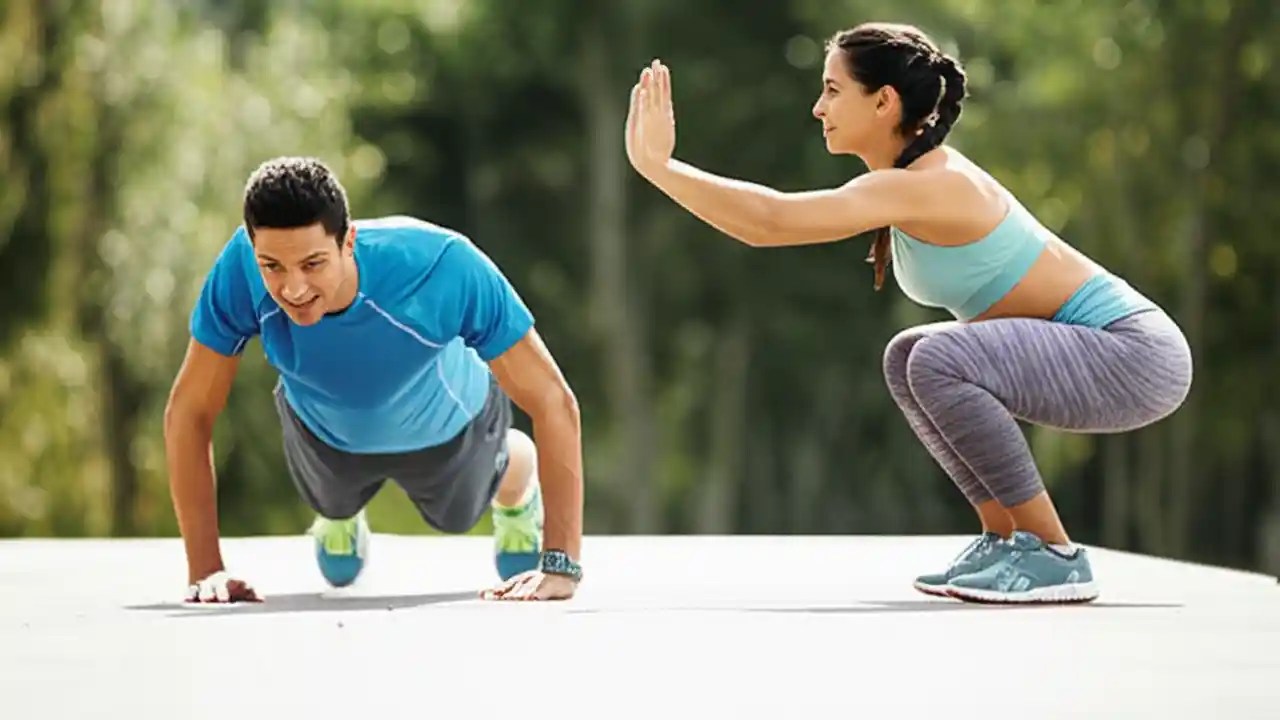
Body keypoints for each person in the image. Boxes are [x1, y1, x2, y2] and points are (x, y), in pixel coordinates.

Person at [624, 23, 1192, 604]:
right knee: (908, 356)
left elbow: (769, 223)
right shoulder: (905, 181)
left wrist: (662, 169)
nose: (818, 108)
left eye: (832, 91)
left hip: (1134, 354)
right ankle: (1006, 539)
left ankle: (1053, 552)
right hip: (1107, 353)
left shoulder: (932, 184)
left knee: (938, 359)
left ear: (884, 101)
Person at [164, 156, 584, 604]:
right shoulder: (238, 271)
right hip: (322, 429)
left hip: (447, 426)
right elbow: (189, 411)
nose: (293, 288)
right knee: (337, 549)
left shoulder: (442, 266)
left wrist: (560, 564)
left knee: (457, 517)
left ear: (348, 241)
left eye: (312, 263)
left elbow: (553, 400)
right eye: (272, 267)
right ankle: (339, 512)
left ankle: (515, 474)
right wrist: (205, 571)